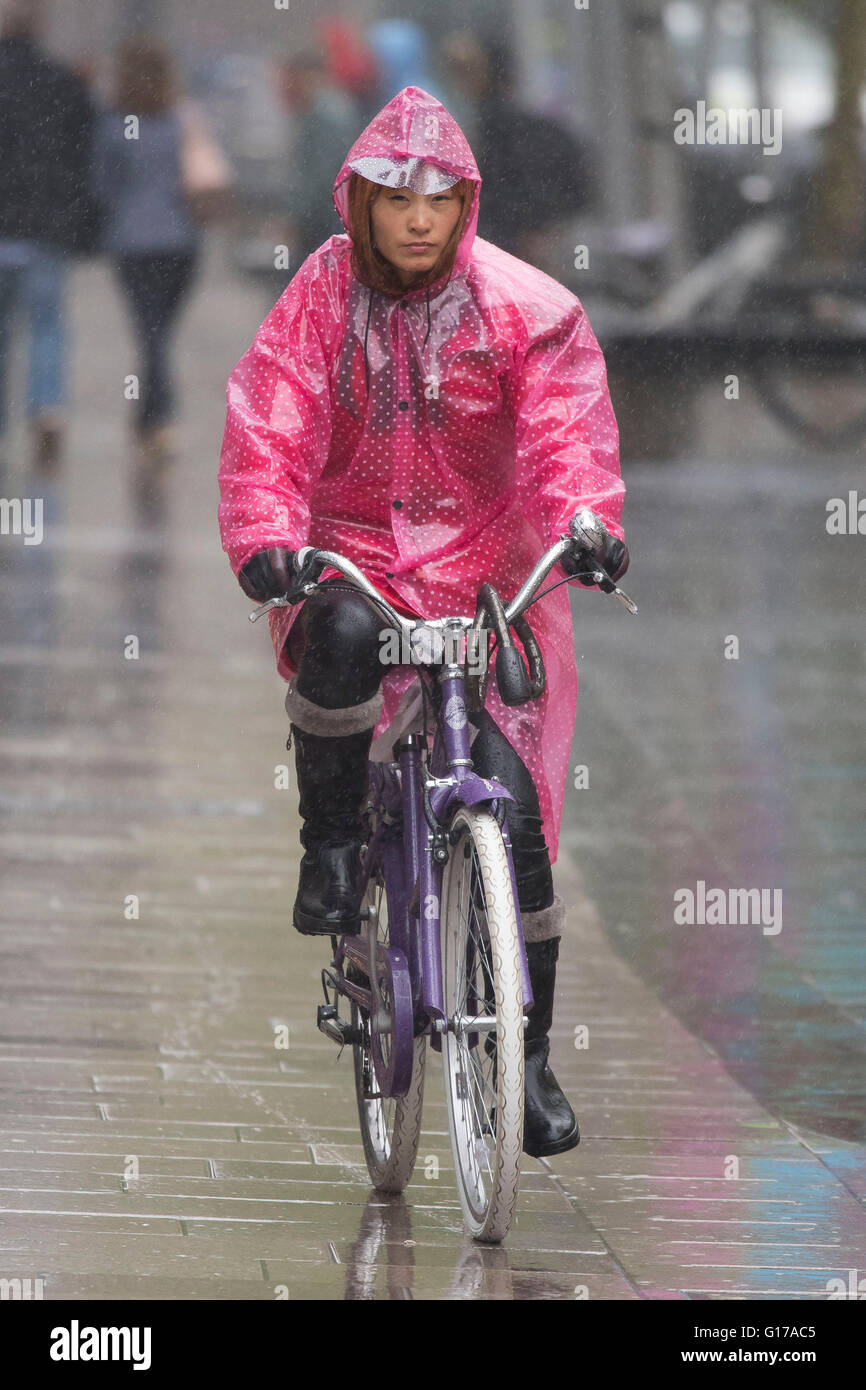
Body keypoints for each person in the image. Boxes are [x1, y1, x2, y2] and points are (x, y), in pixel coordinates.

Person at [218, 87, 628, 1159]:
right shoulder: (319, 294)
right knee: (340, 641)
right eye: (397, 200)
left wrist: (585, 522)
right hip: (351, 560)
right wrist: (267, 536)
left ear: (464, 207)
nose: (417, 220)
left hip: (487, 579)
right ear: (360, 203)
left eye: (438, 201)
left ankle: (528, 1053)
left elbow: (563, 436)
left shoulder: (524, 308)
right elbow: (273, 420)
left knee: (516, 818)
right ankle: (331, 846)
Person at [90, 38, 205, 494]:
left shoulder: (116, 126)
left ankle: (158, 419)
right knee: (158, 334)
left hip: (133, 243)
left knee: (150, 334)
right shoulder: (183, 119)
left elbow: (102, 187)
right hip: (182, 243)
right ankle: (150, 420)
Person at [0, 0, 96, 472]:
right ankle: (46, 409)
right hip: (46, 228)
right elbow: (86, 154)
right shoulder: (62, 82)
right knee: (47, 324)